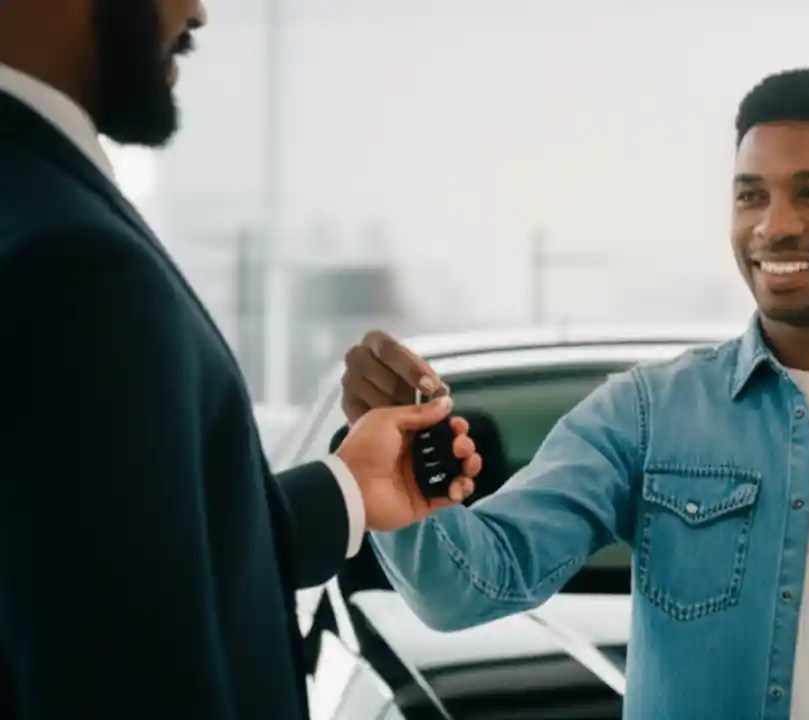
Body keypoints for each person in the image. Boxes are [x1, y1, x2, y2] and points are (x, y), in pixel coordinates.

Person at [340, 67, 809, 718]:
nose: (775, 226)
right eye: (750, 196)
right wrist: (411, 506)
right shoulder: (644, 415)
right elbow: (471, 586)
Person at [0, 1, 480, 718]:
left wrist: (344, 491)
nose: (197, 12)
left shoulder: (35, 199)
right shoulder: (75, 262)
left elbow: (104, 568)